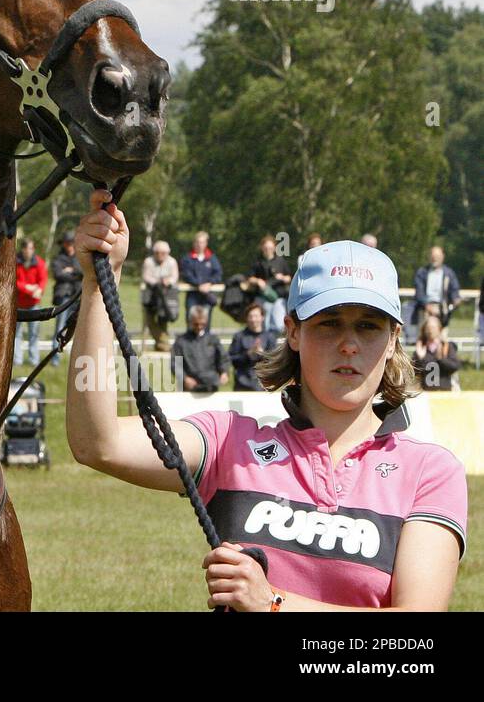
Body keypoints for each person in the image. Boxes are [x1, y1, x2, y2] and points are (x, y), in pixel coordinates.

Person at [66, 194, 467, 610]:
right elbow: (98, 443)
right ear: (293, 332)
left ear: (392, 341)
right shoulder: (229, 442)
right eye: (329, 324)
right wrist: (99, 283)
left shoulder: (431, 471)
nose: (349, 345)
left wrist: (273, 603)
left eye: (368, 326)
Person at [170, 304, 226, 393]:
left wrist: (224, 372)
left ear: (206, 321)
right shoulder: (181, 341)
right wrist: (184, 378)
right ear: (190, 321)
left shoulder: (213, 340)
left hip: (211, 386)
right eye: (196, 324)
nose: (199, 327)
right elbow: (175, 363)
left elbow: (223, 358)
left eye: (202, 324)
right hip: (190, 388)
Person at [246, 234, 292, 333]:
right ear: (262, 248)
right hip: (262, 297)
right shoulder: (257, 262)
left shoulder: (280, 261)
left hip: (278, 298)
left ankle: (276, 346)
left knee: (279, 325)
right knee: (264, 325)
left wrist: (282, 278)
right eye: (266, 248)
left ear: (274, 248)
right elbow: (249, 278)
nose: (268, 250)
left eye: (270, 247)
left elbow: (289, 277)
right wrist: (258, 281)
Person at [49, 231, 82, 366]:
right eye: (67, 243)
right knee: (60, 328)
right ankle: (54, 358)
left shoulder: (79, 257)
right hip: (63, 297)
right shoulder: (58, 259)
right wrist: (75, 273)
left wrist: (70, 271)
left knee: (77, 328)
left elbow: (82, 272)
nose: (69, 246)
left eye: (71, 243)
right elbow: (58, 275)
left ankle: (75, 359)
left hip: (77, 297)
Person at [228, 301, 277, 391]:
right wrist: (248, 354)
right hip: (242, 384)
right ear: (246, 318)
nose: (253, 319)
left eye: (256, 316)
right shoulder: (239, 336)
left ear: (262, 317)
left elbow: (275, 362)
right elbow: (232, 360)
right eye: (250, 316)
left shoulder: (269, 337)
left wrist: (262, 353)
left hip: (263, 385)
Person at [140, 240, 180, 352]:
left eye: (163, 253)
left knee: (163, 320)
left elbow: (174, 277)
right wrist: (158, 282)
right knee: (150, 320)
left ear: (167, 253)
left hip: (166, 296)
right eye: (157, 253)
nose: (160, 255)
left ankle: (161, 347)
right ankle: (165, 345)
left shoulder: (172, 262)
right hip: (151, 295)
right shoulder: (148, 262)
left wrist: (168, 281)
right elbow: (146, 276)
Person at [13, 238, 47, 366]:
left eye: (31, 248)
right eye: (27, 248)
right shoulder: (15, 262)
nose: (29, 251)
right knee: (16, 334)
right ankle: (17, 360)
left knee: (34, 333)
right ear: (22, 249)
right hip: (18, 303)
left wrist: (39, 290)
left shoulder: (39, 263)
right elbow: (13, 280)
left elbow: (43, 280)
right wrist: (27, 288)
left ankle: (34, 360)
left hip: (34, 304)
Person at [178, 230, 222, 323]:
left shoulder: (212, 258)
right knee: (191, 320)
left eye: (202, 242)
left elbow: (218, 274)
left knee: (205, 321)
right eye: (197, 242)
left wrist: (209, 283)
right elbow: (186, 274)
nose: (199, 245)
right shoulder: (187, 258)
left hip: (207, 296)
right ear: (194, 243)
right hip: (193, 295)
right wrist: (198, 285)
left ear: (206, 243)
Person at [413, 246, 461, 330]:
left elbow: (454, 290)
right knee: (424, 338)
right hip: (425, 309)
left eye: (437, 257)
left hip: (443, 309)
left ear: (443, 257)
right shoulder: (422, 272)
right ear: (429, 257)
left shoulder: (449, 273)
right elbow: (419, 293)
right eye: (433, 257)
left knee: (442, 339)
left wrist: (456, 299)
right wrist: (427, 306)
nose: (435, 259)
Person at [413, 315, 460, 392]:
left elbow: (455, 367)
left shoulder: (447, 346)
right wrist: (420, 358)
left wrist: (441, 359)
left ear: (439, 329)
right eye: (428, 328)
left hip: (445, 393)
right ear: (424, 330)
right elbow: (414, 372)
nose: (430, 330)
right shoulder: (421, 349)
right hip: (426, 394)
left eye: (433, 327)